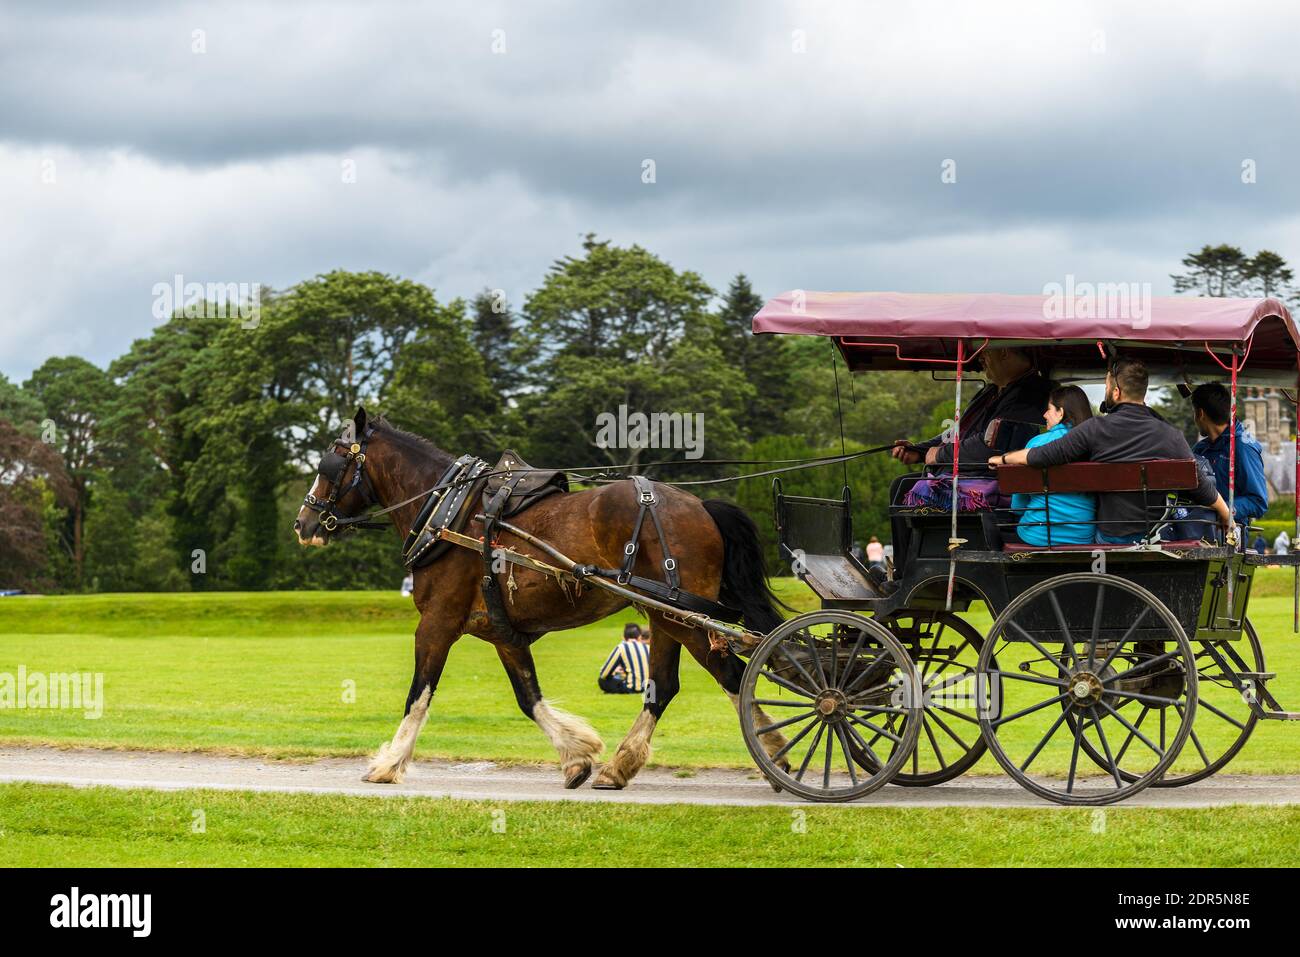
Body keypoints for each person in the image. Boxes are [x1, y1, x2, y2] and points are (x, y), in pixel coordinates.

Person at [990, 358, 1231, 544]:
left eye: (1107, 386)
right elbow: (1199, 483)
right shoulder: (1169, 435)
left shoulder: (1095, 429)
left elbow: (1042, 455)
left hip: (1109, 537)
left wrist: (1003, 458)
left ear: (1116, 391)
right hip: (1149, 536)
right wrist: (1225, 513)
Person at [891, 347, 1052, 472]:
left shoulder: (1032, 393)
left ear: (1003, 352)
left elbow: (992, 445)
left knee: (903, 489)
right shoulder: (990, 391)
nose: (979, 357)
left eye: (986, 351)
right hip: (967, 474)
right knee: (901, 486)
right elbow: (960, 432)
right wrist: (919, 450)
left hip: (989, 481)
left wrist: (940, 454)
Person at [1007, 385, 1097, 545]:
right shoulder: (1095, 445)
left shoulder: (1036, 444)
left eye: (1048, 409)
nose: (1044, 414)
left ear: (1061, 413)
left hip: (1038, 535)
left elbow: (1018, 506)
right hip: (1082, 538)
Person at [1190, 383, 1269, 525]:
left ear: (1200, 414)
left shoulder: (1243, 447)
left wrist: (1223, 509)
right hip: (1198, 531)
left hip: (1229, 537)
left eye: (1193, 412)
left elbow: (1258, 502)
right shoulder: (1200, 449)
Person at [598, 623, 650, 694]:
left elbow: (604, 673)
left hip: (631, 688)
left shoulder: (621, 647)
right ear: (639, 637)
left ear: (624, 637)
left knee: (602, 681)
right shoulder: (648, 648)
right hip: (649, 687)